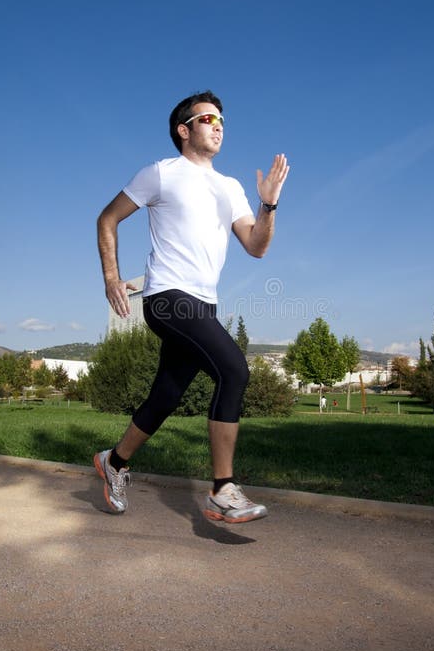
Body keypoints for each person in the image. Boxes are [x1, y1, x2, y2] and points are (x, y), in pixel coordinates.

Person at [94, 90, 290, 523]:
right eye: (207, 118)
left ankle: (116, 462)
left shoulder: (231, 187)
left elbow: (256, 246)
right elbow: (107, 218)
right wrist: (111, 276)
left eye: (222, 120)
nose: (218, 125)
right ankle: (223, 489)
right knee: (235, 369)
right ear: (184, 130)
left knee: (166, 394)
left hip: (203, 304)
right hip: (167, 297)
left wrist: (269, 204)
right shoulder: (160, 174)